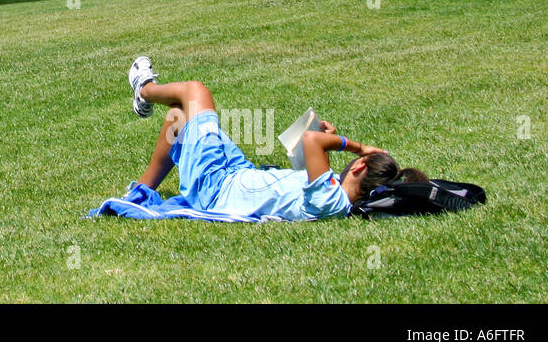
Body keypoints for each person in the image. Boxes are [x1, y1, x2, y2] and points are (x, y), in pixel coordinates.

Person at [112, 56, 409, 222]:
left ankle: (145, 89)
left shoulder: (332, 201)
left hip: (217, 188)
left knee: (195, 91)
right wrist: (328, 142)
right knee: (179, 114)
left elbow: (309, 140)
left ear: (358, 168)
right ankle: (142, 188)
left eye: (357, 161)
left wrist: (358, 146)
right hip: (236, 173)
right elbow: (315, 174)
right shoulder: (332, 199)